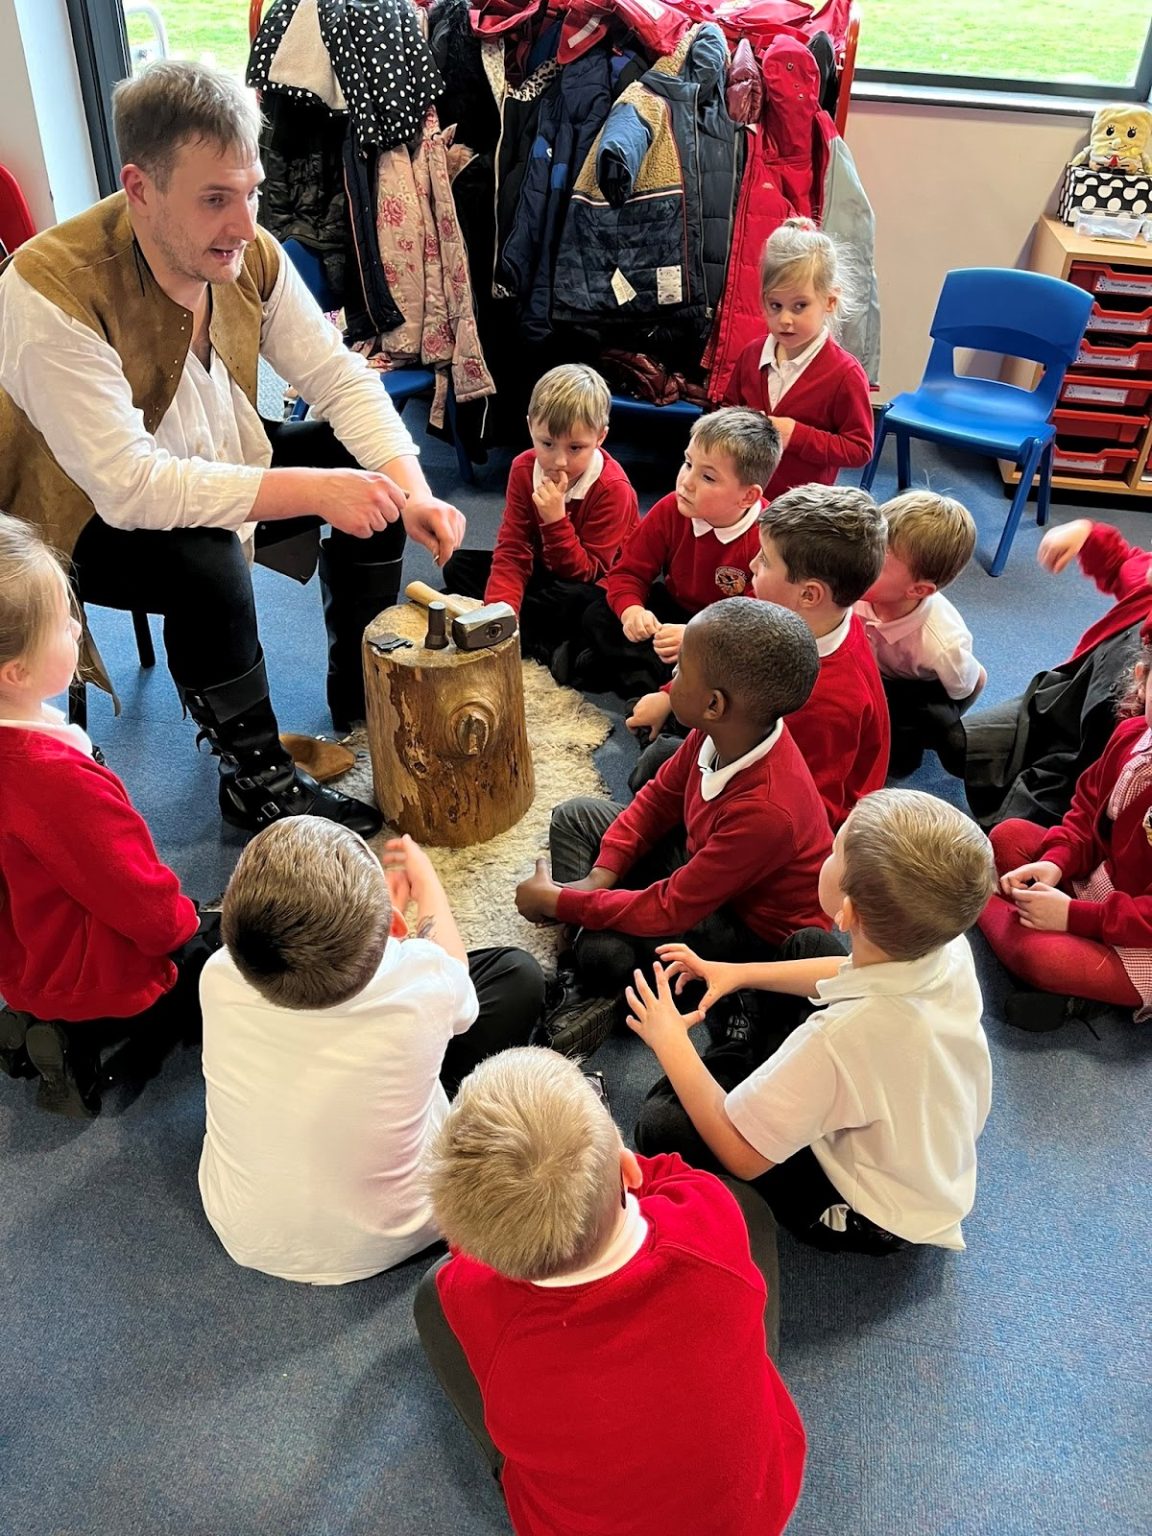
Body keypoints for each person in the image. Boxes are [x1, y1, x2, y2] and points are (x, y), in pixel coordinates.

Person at [0, 61, 466, 838]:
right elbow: (132, 487)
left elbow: (337, 376)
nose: (246, 225)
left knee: (371, 474)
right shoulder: (50, 288)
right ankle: (256, 781)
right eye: (215, 199)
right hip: (77, 519)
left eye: (251, 192)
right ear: (140, 188)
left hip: (214, 456)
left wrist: (410, 488)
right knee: (207, 555)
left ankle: (363, 695)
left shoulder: (245, 252)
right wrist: (316, 492)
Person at [414, 1047, 807, 1536]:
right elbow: (673, 1173)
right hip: (757, 1509)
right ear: (627, 1170)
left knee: (429, 1296)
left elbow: (462, 1260)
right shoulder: (706, 1219)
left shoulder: (470, 1296)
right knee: (746, 1208)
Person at [631, 789, 996, 1256]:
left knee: (663, 1125)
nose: (826, 851)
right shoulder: (948, 947)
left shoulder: (841, 1039)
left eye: (834, 850)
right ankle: (745, 1075)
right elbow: (851, 973)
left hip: (869, 1213)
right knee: (807, 945)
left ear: (848, 912)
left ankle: (733, 1061)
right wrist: (739, 973)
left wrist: (670, 1042)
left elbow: (743, 1158)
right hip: (914, 1140)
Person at [198, 820, 545, 1284]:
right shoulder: (423, 980)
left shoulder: (216, 975)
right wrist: (427, 884)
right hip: (408, 1228)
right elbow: (454, 973)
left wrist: (381, 926)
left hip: (245, 1229)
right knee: (516, 975)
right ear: (398, 928)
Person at [516, 599, 832, 1057]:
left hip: (744, 928)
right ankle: (596, 949)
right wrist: (597, 879)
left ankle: (591, 977)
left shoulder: (767, 811)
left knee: (602, 954)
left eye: (681, 671)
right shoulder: (719, 731)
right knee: (575, 815)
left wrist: (564, 902)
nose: (671, 677)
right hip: (701, 871)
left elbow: (671, 907)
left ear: (713, 704)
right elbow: (658, 799)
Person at [0, 514, 219, 1118]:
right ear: (16, 672)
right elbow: (130, 888)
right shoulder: (52, 778)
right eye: (63, 623)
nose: (78, 627)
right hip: (89, 967)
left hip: (22, 946)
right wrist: (183, 929)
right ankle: (81, 1036)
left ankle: (39, 1018)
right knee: (211, 958)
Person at [630, 484, 889, 829]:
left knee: (656, 770)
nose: (751, 564)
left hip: (783, 816)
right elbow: (732, 639)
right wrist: (667, 697)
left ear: (809, 595)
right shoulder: (797, 611)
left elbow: (806, 817)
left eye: (764, 560)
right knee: (662, 760)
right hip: (757, 742)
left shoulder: (827, 704)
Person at [979, 639, 1152, 1033]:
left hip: (1142, 939)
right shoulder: (1131, 735)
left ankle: (971, 902)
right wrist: (1056, 863)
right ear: (1142, 680)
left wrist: (1073, 917)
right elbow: (1087, 811)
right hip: (1106, 886)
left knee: (1040, 958)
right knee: (1010, 837)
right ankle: (1077, 986)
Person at [441, 364, 637, 671]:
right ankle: (532, 633)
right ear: (530, 426)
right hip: (544, 567)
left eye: (576, 448)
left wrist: (555, 521)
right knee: (458, 565)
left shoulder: (613, 488)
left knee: (579, 602)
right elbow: (513, 549)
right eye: (547, 444)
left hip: (591, 581)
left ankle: (545, 639)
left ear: (601, 437)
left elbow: (587, 573)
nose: (559, 460)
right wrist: (500, 612)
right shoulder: (523, 468)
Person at [960, 519, 1152, 827]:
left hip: (1090, 764)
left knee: (1008, 832)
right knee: (959, 742)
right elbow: (1120, 564)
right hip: (1061, 704)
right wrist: (1086, 533)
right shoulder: (1147, 585)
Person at [578, 408, 781, 697]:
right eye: (688, 463)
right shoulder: (671, 507)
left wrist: (695, 637)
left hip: (722, 632)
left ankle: (639, 680)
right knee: (597, 613)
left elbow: (755, 622)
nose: (686, 482)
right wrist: (632, 611)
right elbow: (628, 572)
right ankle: (654, 683)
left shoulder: (769, 540)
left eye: (708, 477)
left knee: (737, 669)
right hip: (672, 609)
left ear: (748, 496)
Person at [723, 218, 873, 501]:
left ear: (829, 302)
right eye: (775, 305)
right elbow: (728, 411)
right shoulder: (752, 355)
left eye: (799, 306)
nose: (785, 319)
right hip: (745, 498)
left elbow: (859, 449)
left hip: (802, 509)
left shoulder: (845, 374)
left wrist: (796, 434)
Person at [856, 491, 985, 778]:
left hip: (916, 688)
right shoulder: (857, 591)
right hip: (873, 669)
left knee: (905, 754)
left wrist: (938, 723)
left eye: (877, 562)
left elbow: (971, 684)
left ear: (917, 590)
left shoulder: (942, 643)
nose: (860, 563)